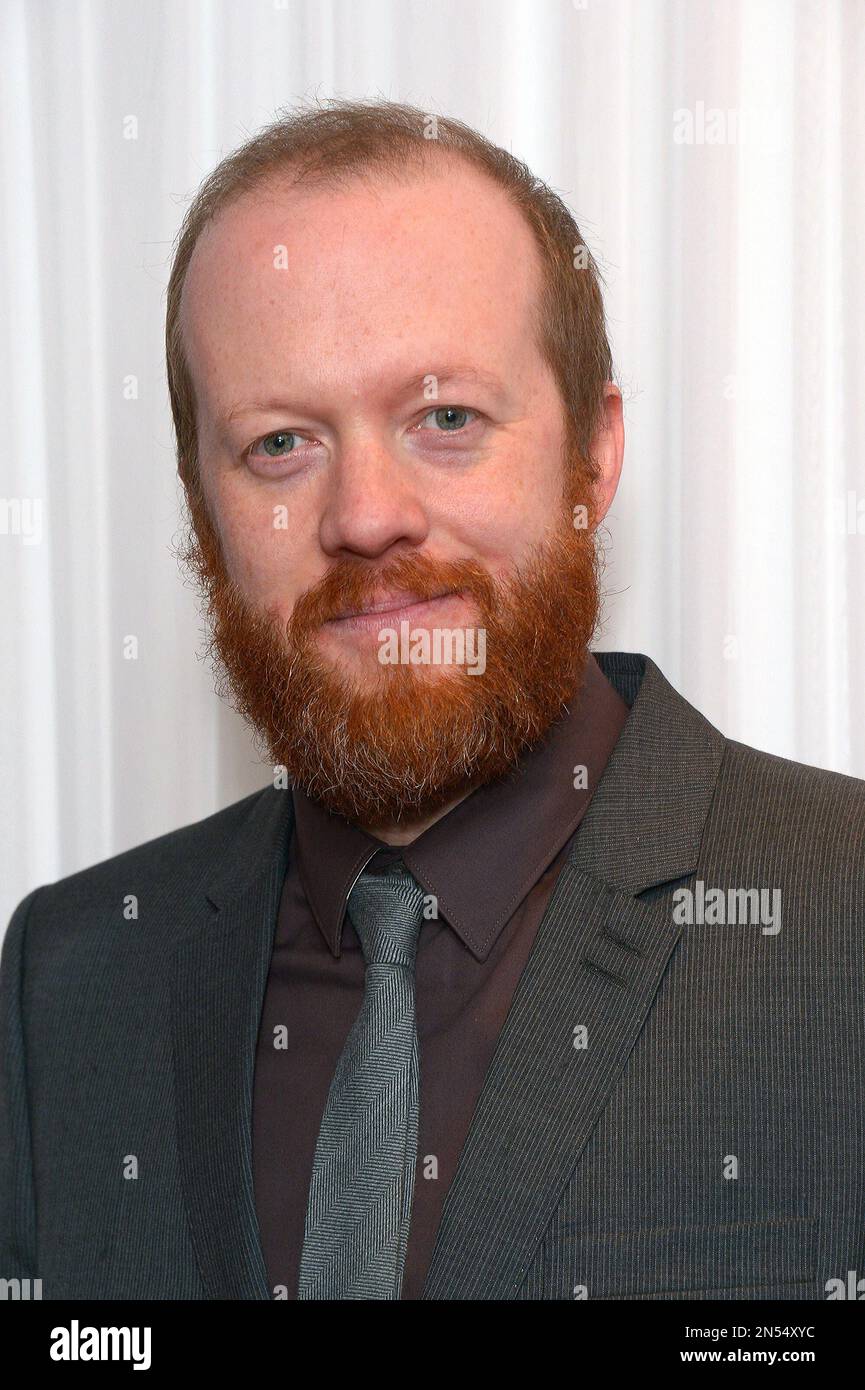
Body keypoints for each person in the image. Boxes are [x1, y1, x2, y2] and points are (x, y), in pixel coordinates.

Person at [2, 99, 863, 1302]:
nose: (364, 515)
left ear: (592, 456)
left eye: (446, 418)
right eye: (280, 444)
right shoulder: (72, 979)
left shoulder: (839, 919)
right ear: (202, 511)